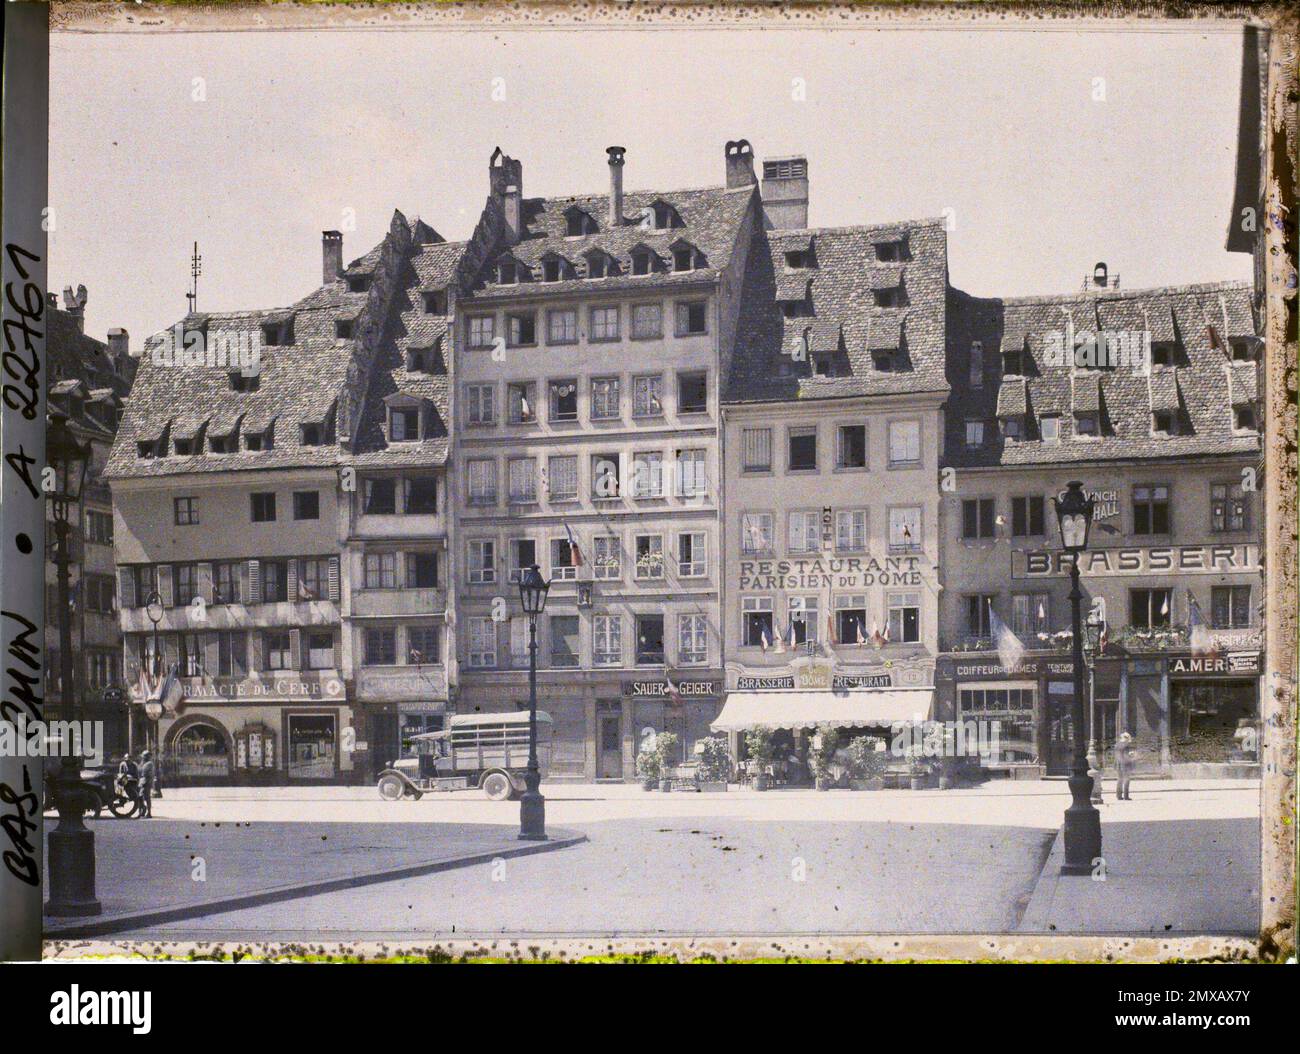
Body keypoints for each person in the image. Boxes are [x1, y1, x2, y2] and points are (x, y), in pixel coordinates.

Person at [1115, 732, 1137, 801]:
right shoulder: (1126, 745)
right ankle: (1126, 796)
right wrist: (1131, 754)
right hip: (1125, 765)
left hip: (1118, 765)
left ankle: (1118, 796)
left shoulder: (1117, 744)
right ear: (1127, 738)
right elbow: (1126, 756)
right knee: (1127, 780)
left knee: (1120, 780)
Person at [137, 750, 156, 817]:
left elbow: (149, 774)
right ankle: (143, 810)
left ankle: (148, 812)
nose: (143, 757)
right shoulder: (143, 763)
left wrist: (148, 781)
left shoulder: (149, 764)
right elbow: (139, 770)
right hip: (142, 781)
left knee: (146, 797)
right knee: (141, 797)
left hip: (146, 782)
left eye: (144, 756)